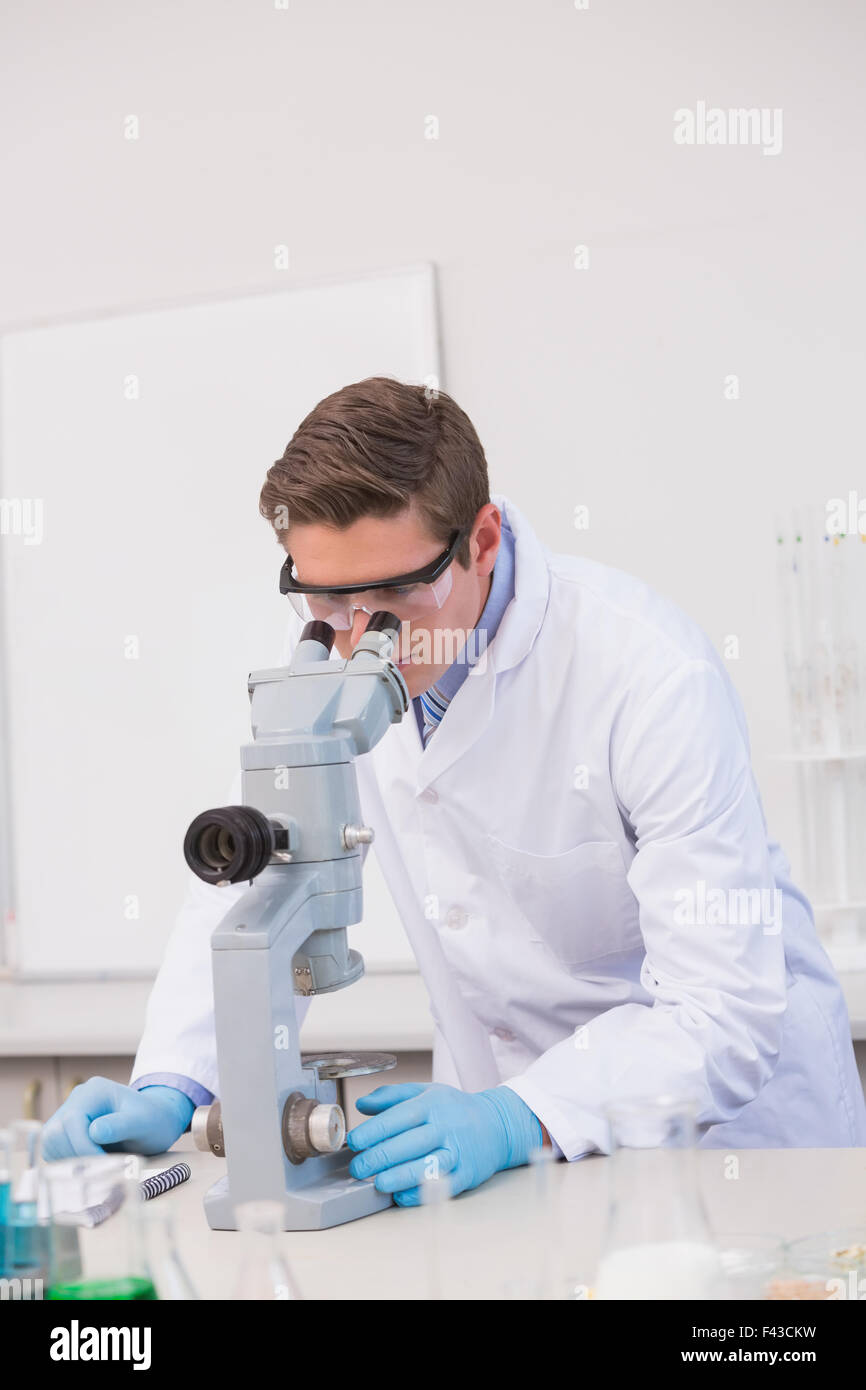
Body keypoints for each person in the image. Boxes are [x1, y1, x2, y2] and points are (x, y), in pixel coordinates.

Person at [43, 378, 866, 1203]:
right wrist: (172, 1085)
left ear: (481, 539)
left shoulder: (647, 673)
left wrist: (518, 1116)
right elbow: (255, 872)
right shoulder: (332, 643)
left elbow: (721, 1011)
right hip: (498, 1151)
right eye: (328, 597)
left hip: (732, 1149)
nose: (363, 638)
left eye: (398, 596)